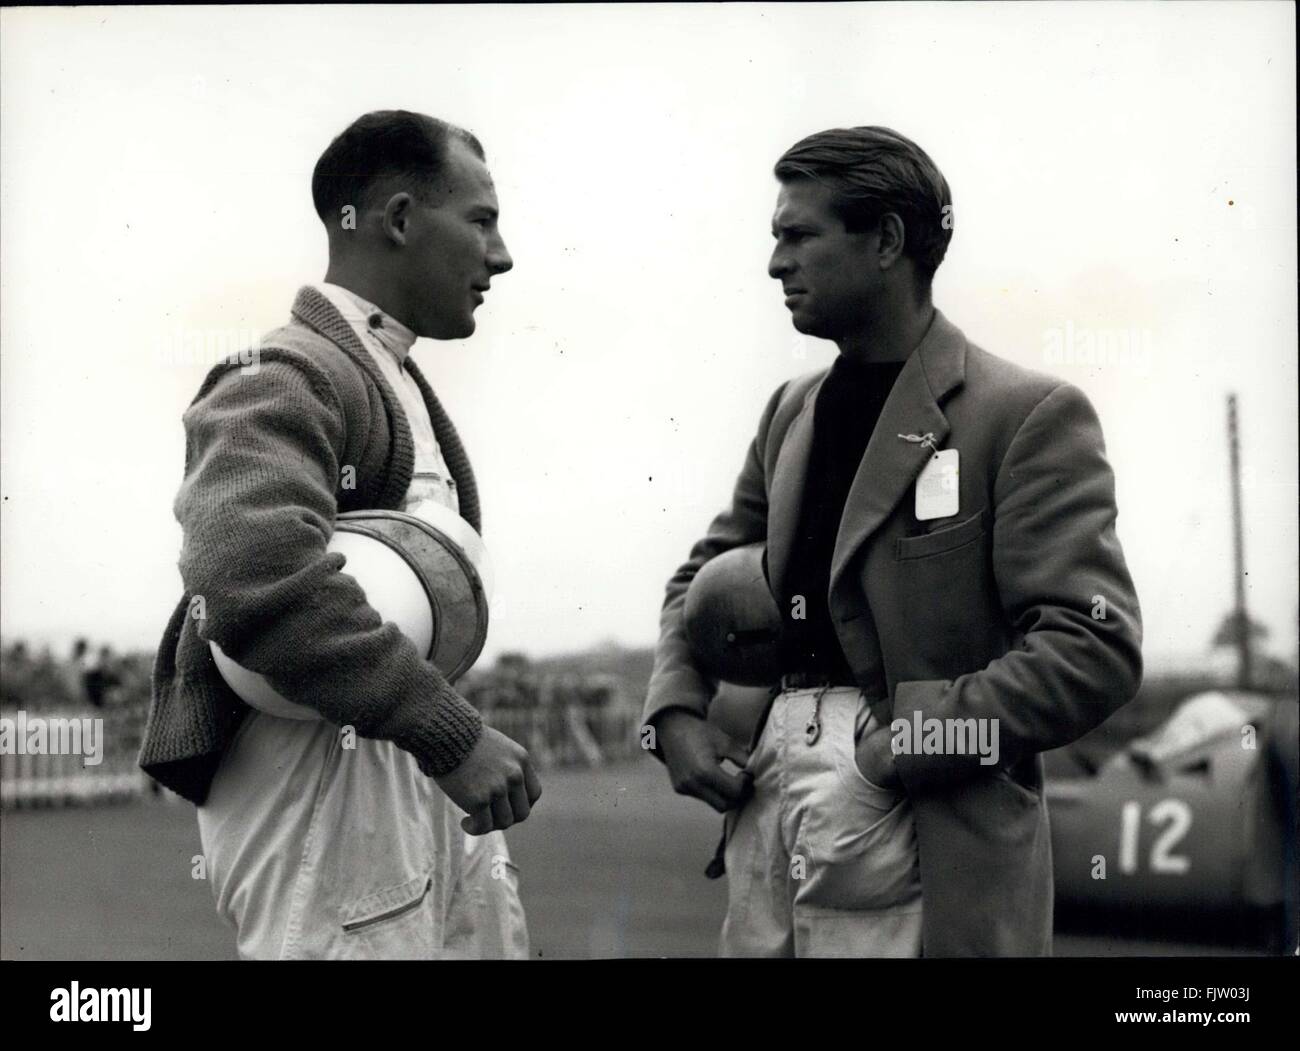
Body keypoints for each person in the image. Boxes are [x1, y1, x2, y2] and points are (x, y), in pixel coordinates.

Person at [644, 126, 1143, 957]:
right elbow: (699, 575)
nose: (775, 263)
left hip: (924, 823)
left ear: (887, 241)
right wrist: (675, 713)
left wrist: (900, 747)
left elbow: (1094, 649)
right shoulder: (789, 410)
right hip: (765, 820)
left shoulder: (1026, 414)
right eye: (775, 238)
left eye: (798, 235)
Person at [138, 110, 538, 959]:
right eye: (482, 220)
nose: (500, 256)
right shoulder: (284, 371)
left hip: (399, 759)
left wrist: (431, 730)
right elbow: (246, 569)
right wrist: (447, 729)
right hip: (322, 781)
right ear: (397, 219)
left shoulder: (389, 373)